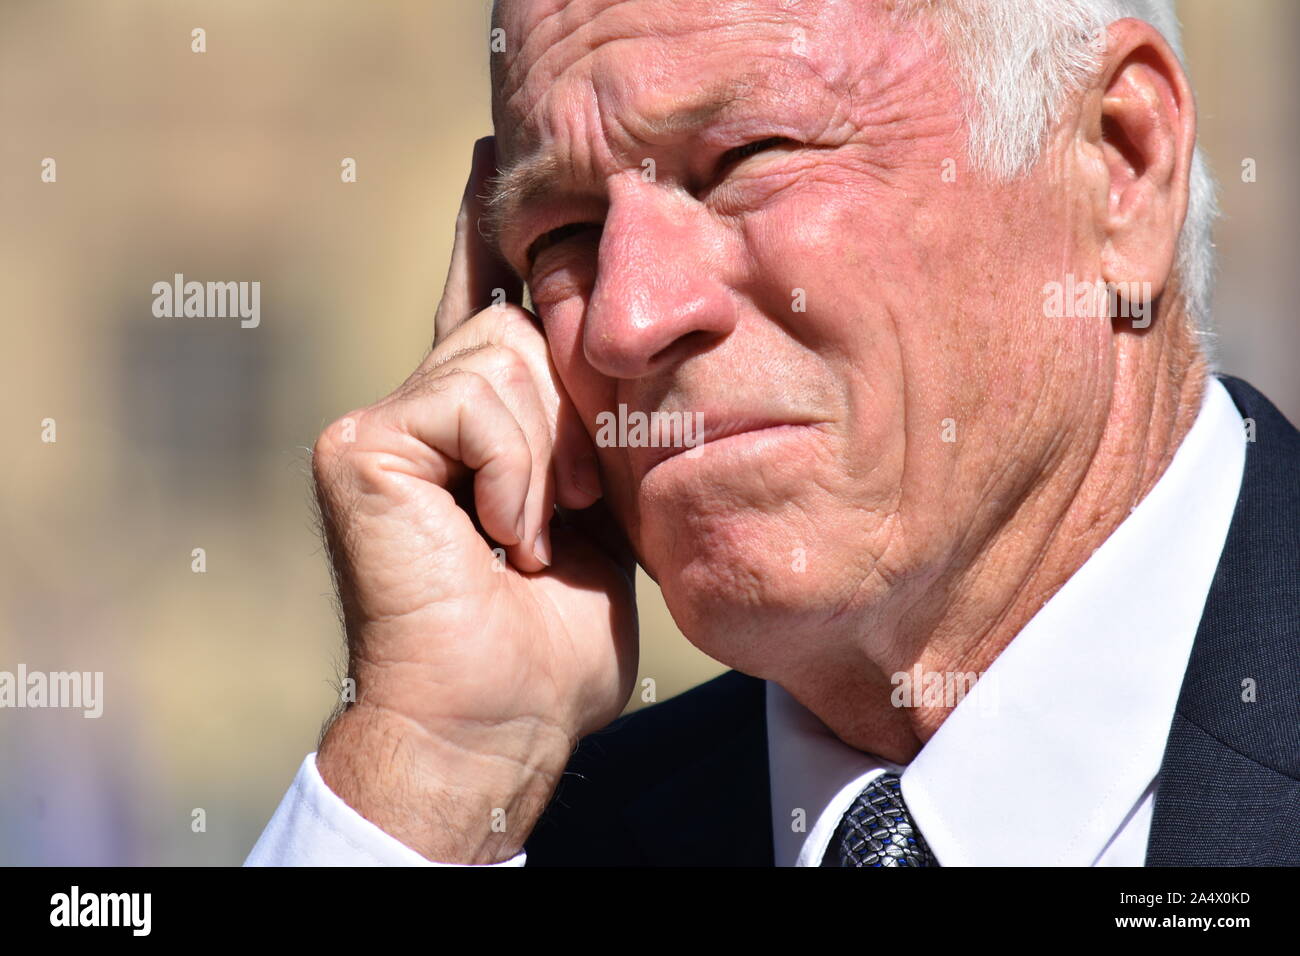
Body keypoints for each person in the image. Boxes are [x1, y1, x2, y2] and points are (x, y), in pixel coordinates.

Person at [246, 0, 1300, 866]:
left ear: (1120, 164)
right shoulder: (502, 842)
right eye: (564, 231)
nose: (627, 319)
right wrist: (433, 766)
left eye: (746, 158)